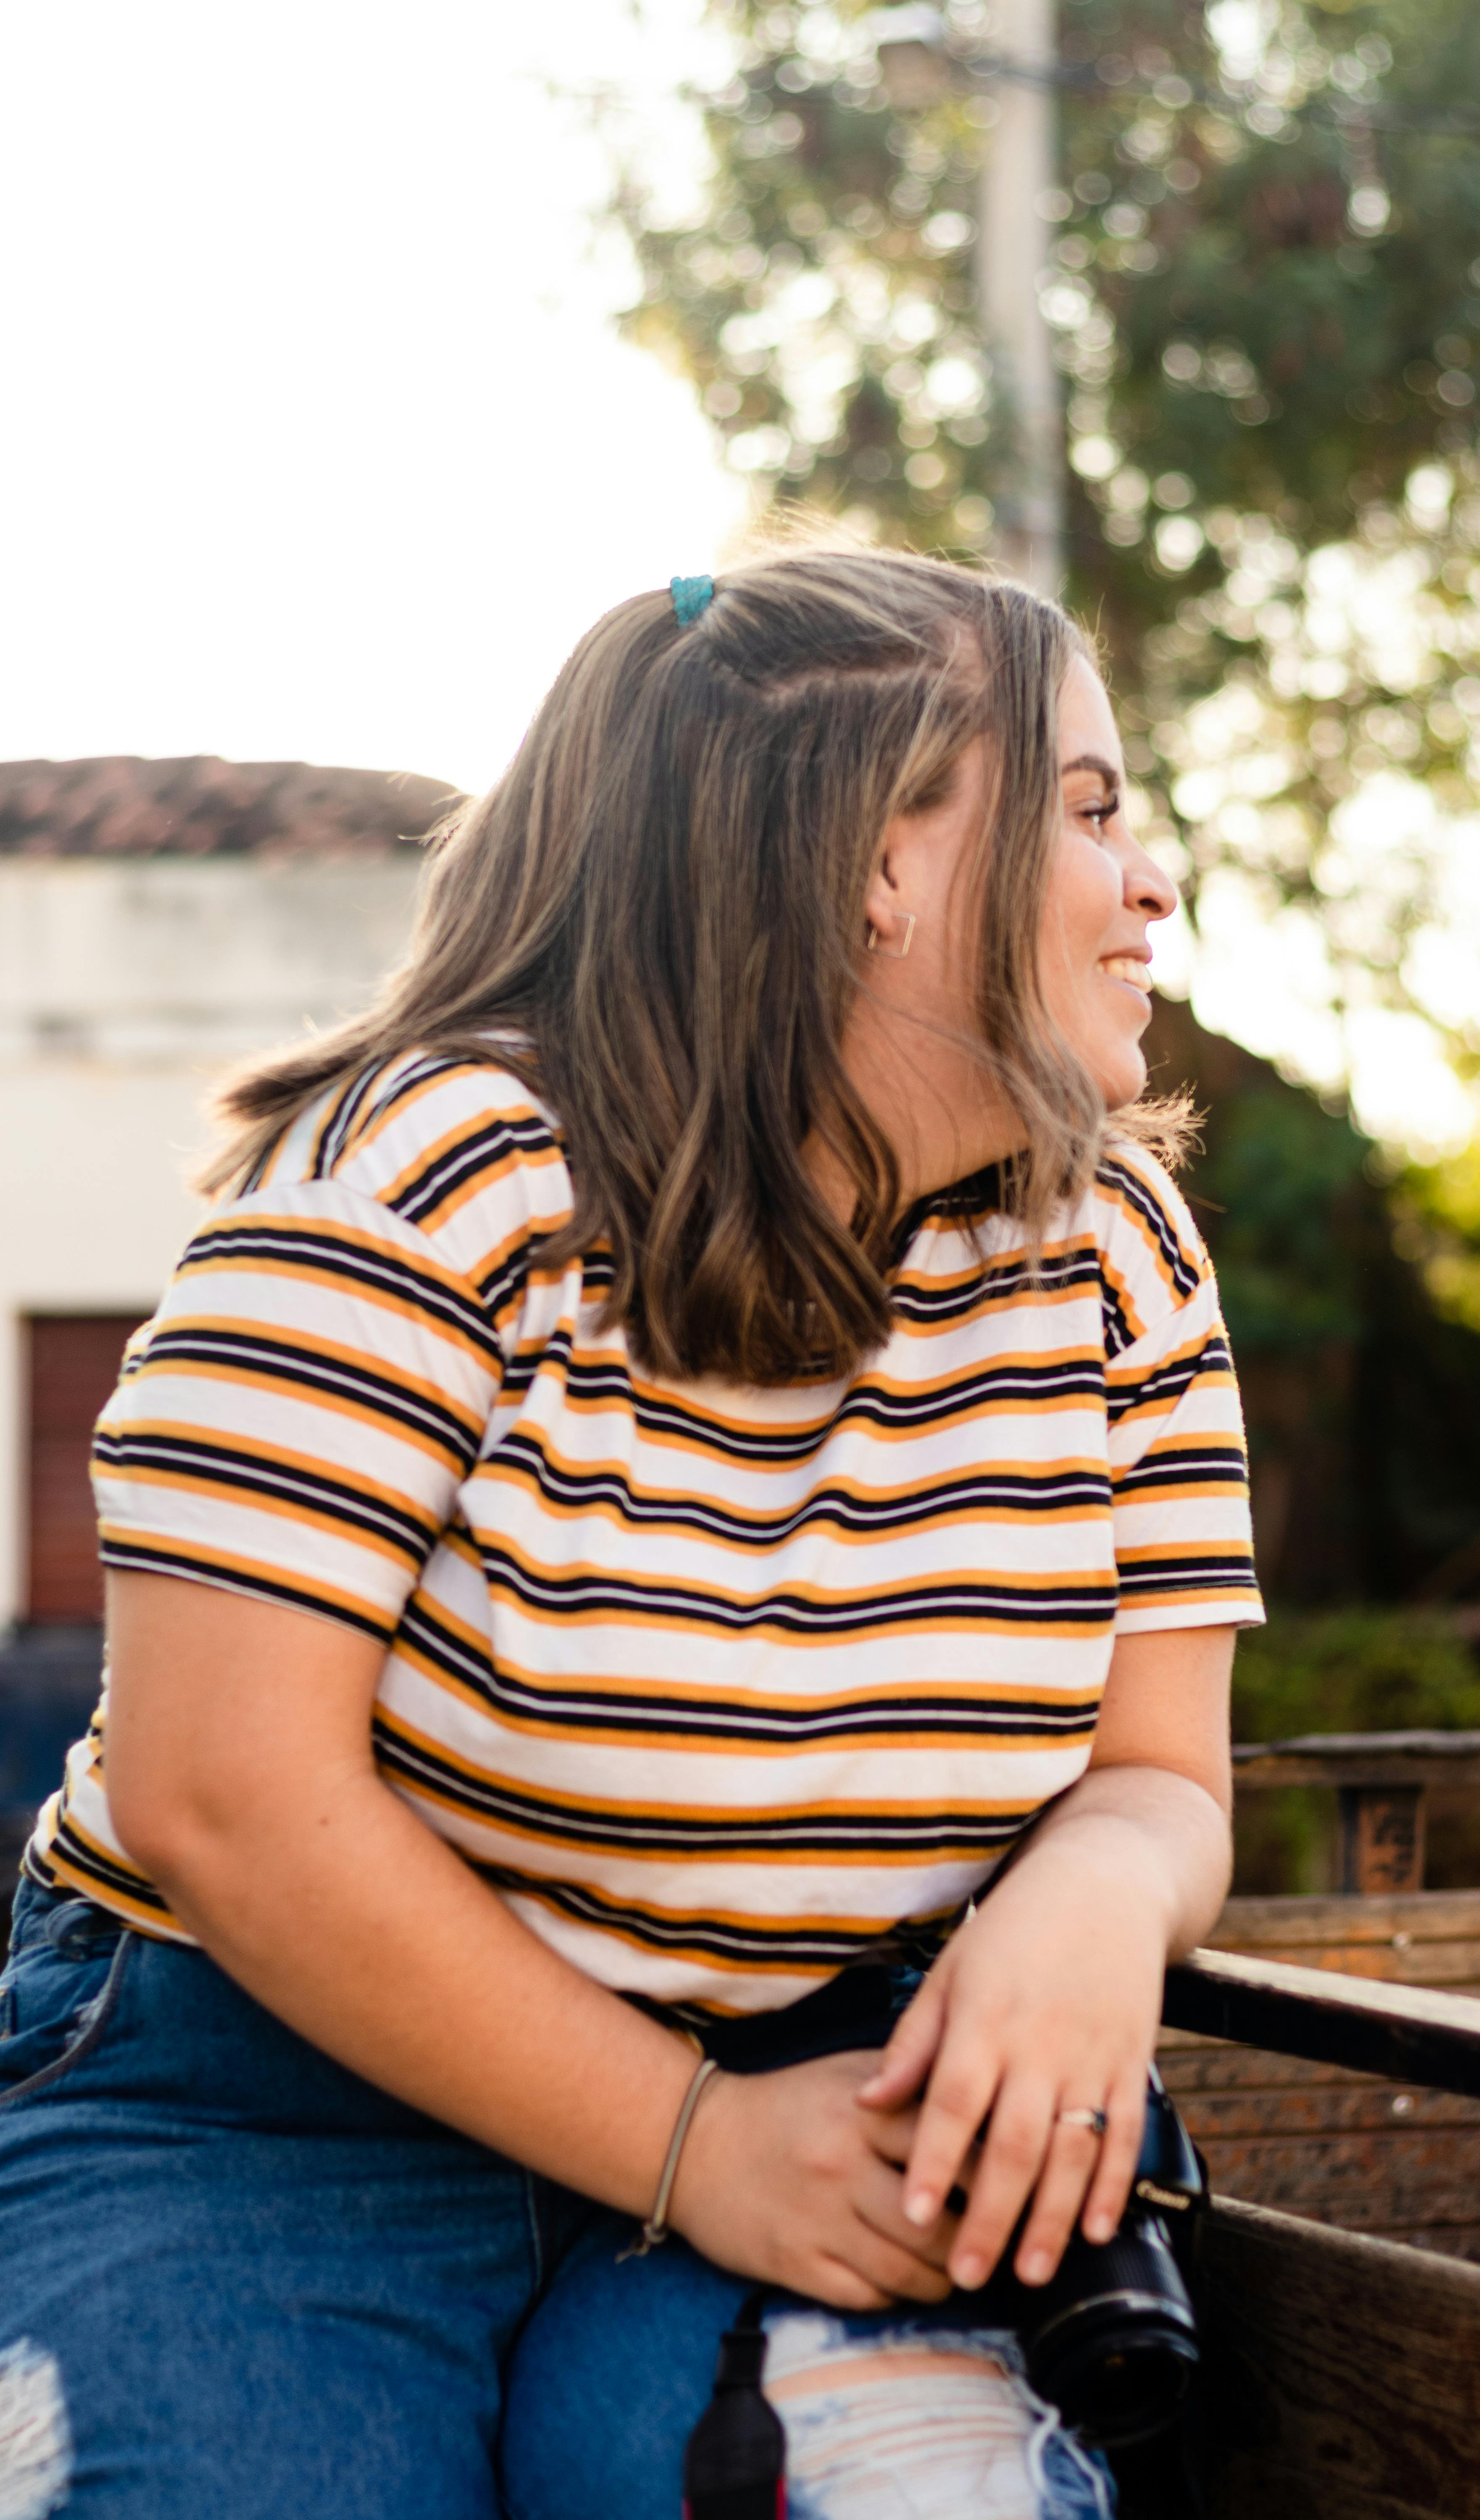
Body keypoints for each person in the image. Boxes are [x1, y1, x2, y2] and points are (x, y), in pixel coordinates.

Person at [0, 548, 1261, 2520]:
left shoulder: (1113, 1262)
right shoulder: (428, 1179)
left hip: (825, 2079)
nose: (1151, 879)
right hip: (268, 2101)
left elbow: (1161, 1777)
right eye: (1089, 808)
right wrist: (692, 2143)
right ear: (877, 866)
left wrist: (1092, 1901)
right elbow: (216, 1791)